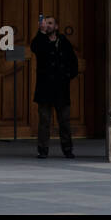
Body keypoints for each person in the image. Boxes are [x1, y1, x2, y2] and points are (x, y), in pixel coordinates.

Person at [30, 15, 78, 159]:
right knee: (44, 121)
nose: (48, 25)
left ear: (56, 26)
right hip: (45, 88)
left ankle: (67, 149)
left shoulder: (63, 42)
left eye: (51, 23)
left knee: (64, 121)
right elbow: (35, 48)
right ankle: (42, 150)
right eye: (46, 23)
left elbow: (73, 62)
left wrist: (67, 75)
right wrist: (41, 32)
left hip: (61, 89)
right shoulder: (41, 40)